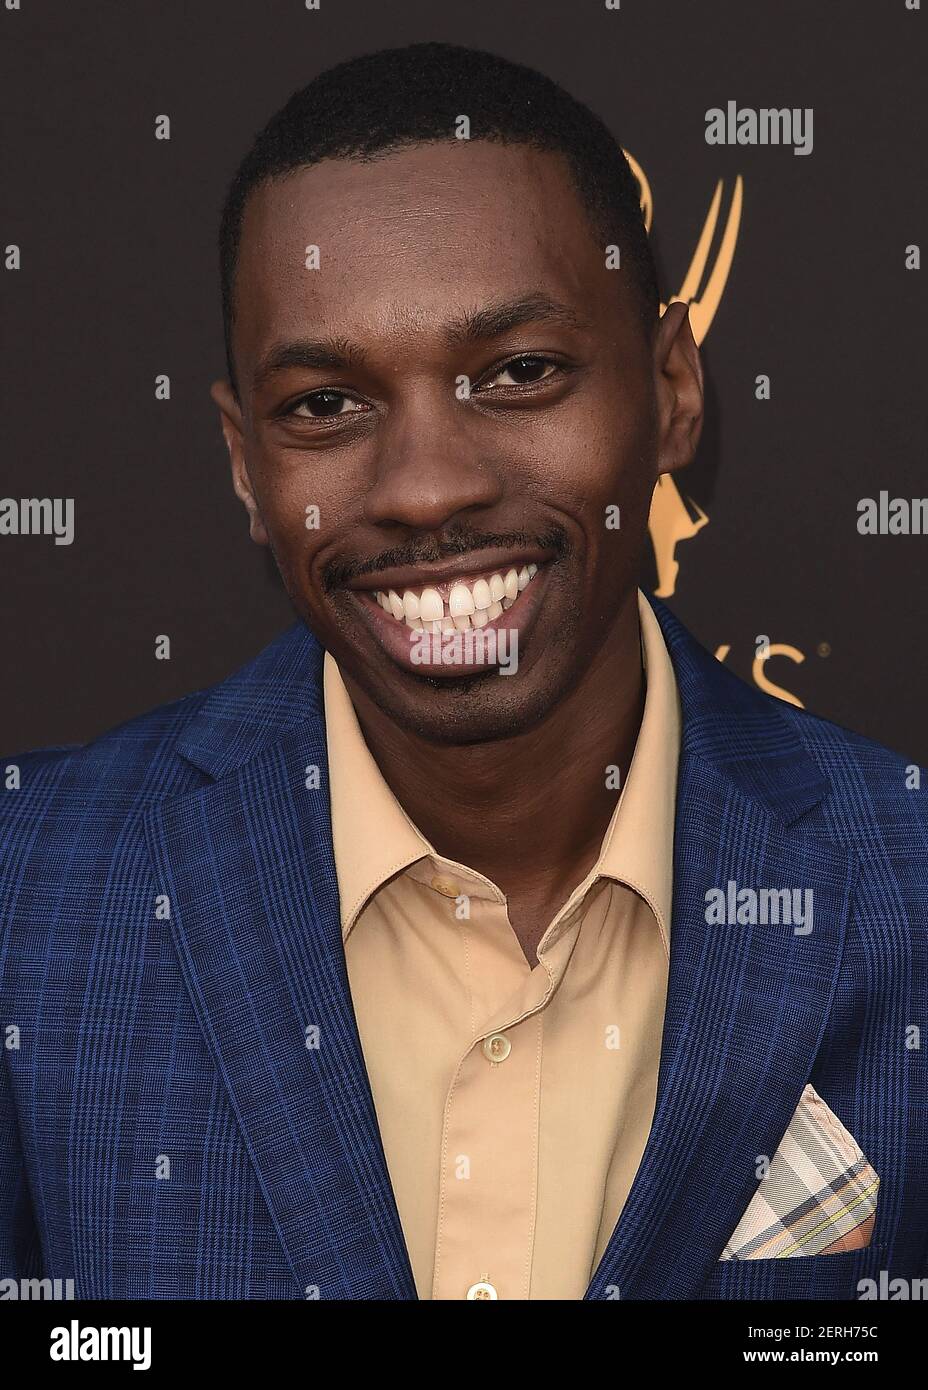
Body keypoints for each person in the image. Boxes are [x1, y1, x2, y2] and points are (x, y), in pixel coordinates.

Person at [1, 43, 925, 1301]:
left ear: (671, 389)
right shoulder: (28, 897)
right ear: (242, 461)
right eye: (325, 404)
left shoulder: (906, 882)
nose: (427, 483)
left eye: (519, 373)